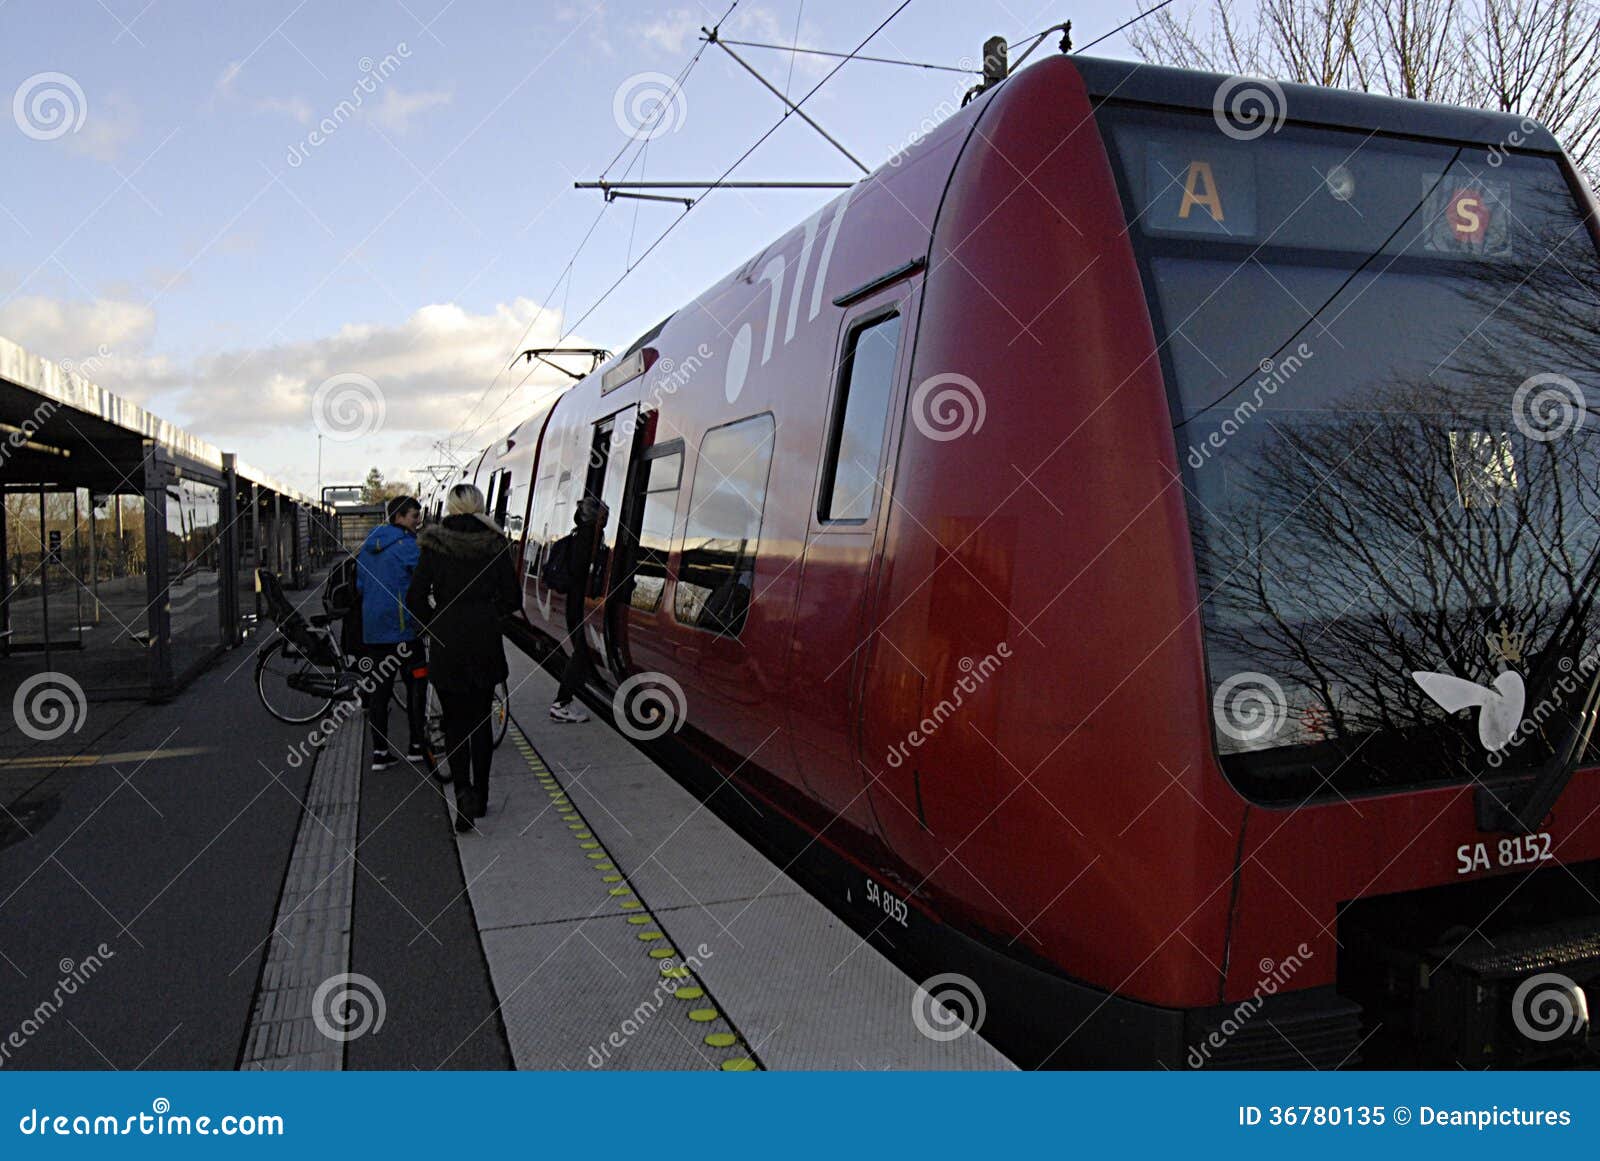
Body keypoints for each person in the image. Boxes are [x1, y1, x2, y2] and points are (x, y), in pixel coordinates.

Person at [406, 483, 520, 832]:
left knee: (455, 723)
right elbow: (513, 599)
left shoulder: (434, 545)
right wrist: (489, 616)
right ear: (479, 506)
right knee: (480, 722)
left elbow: (413, 598)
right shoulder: (495, 544)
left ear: (450, 508)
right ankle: (482, 797)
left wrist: (434, 623)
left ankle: (463, 797)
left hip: (447, 641)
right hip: (483, 641)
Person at [355, 495, 426, 770]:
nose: (417, 521)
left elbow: (360, 586)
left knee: (379, 693)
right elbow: (421, 582)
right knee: (416, 686)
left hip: (373, 631)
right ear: (399, 517)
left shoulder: (368, 545)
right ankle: (416, 746)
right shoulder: (408, 546)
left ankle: (380, 753)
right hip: (403, 630)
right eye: (413, 516)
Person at [550, 495, 607, 723]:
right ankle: (561, 704)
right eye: (604, 515)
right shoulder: (588, 539)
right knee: (581, 653)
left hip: (575, 604)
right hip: (579, 605)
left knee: (581, 652)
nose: (606, 520)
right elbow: (583, 573)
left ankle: (563, 702)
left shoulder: (580, 534)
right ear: (595, 517)